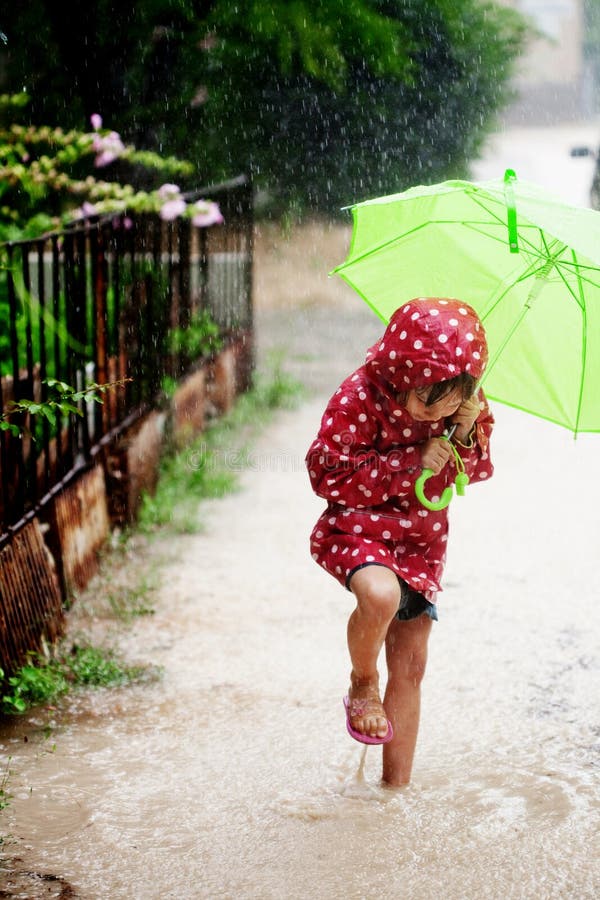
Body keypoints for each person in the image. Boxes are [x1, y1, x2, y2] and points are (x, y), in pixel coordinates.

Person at [305, 297, 494, 787]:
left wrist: (465, 434)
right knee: (381, 595)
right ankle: (362, 680)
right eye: (428, 400)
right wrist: (409, 461)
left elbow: (476, 472)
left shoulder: (464, 406)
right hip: (359, 528)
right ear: (399, 370)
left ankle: (394, 794)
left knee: (411, 665)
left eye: (454, 398)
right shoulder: (359, 396)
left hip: (421, 543)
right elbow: (326, 473)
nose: (440, 410)